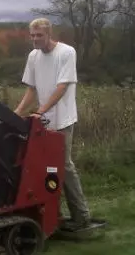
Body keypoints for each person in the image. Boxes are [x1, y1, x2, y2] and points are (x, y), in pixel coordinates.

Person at [14, 18, 91, 231]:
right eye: (32, 35)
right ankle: (52, 216)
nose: (35, 39)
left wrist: (40, 111)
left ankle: (82, 216)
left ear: (49, 35)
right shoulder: (33, 56)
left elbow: (62, 87)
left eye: (39, 35)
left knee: (64, 166)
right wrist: (17, 113)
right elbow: (31, 89)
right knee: (44, 169)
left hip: (63, 119)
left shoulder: (66, 53)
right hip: (43, 122)